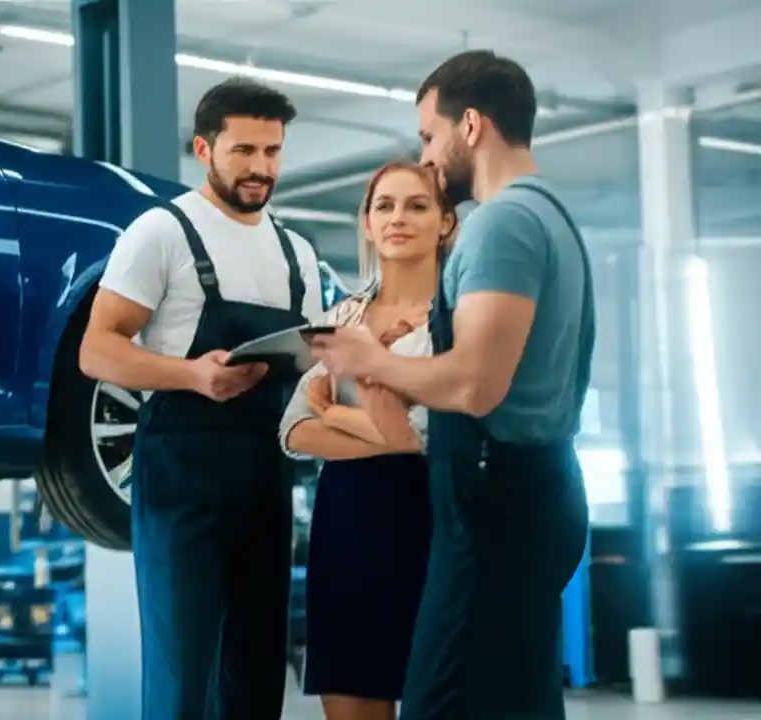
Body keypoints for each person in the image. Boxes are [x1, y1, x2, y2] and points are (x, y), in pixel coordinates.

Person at [308, 50, 596, 720]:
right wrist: (389, 387)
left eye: (429, 135)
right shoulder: (553, 215)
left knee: (445, 703)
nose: (428, 156)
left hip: (495, 501)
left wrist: (370, 361)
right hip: (534, 489)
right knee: (511, 701)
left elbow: (474, 384)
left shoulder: (502, 222)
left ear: (470, 126)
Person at [78, 76, 325, 719]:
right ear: (203, 149)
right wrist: (192, 375)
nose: (260, 168)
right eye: (244, 151)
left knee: (255, 669)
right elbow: (96, 350)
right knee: (182, 669)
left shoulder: (296, 253)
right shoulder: (160, 231)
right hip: (181, 469)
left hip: (267, 475)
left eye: (272, 152)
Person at [280, 161, 455, 720]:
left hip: (434, 524)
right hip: (349, 526)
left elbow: (429, 437)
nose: (398, 218)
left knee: (438, 691)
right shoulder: (341, 318)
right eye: (385, 206)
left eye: (416, 205)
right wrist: (394, 429)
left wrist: (346, 419)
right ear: (368, 223)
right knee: (352, 695)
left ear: (446, 222)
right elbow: (294, 429)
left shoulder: (455, 321)